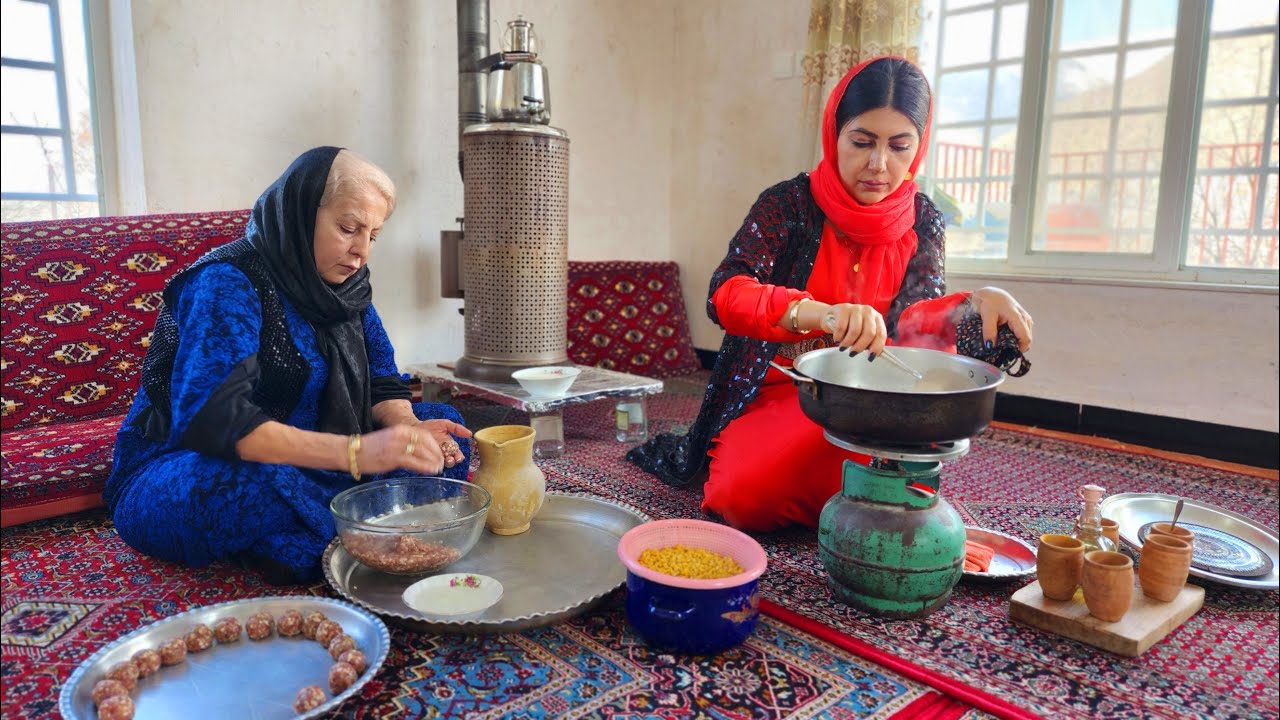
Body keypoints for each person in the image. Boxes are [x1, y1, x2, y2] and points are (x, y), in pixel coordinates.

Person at [627, 57, 1034, 531]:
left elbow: (915, 322)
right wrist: (817, 314)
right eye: (861, 142)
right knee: (741, 499)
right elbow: (726, 294)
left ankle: (860, 483)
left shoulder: (922, 217)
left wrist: (976, 302)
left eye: (899, 147)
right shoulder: (789, 205)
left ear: (919, 148)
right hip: (786, 390)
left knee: (894, 474)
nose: (879, 165)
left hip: (873, 398)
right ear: (833, 135)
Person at [105, 147, 472, 583]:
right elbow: (215, 423)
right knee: (245, 482)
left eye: (373, 236)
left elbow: (382, 381)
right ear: (300, 211)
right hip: (191, 461)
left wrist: (408, 429)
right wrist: (358, 454)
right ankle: (358, 527)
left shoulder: (347, 289)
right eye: (348, 228)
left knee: (443, 426)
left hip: (322, 455)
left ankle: (321, 532)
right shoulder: (226, 280)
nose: (361, 251)